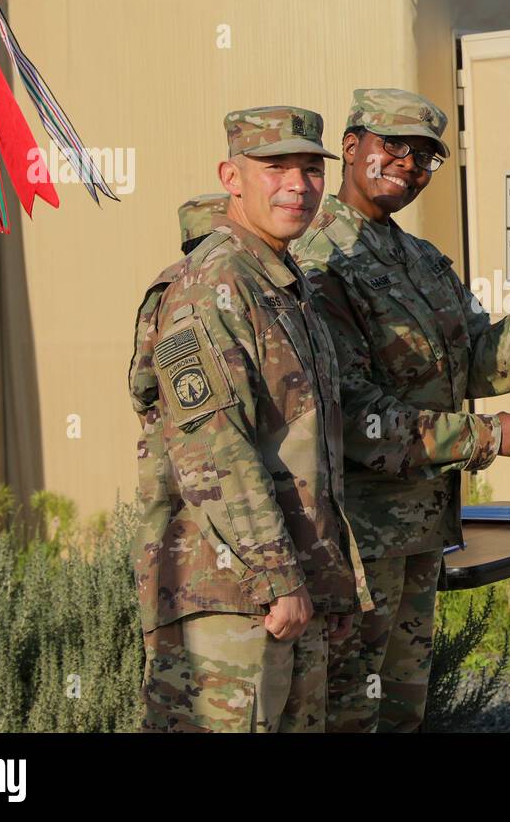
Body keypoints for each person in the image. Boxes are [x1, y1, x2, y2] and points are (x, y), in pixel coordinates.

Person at [290, 87, 510, 732]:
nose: (408, 164)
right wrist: (486, 437)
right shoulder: (318, 259)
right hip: (356, 536)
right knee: (348, 713)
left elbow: (475, 359)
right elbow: (354, 414)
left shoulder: (420, 258)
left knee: (401, 711)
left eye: (426, 156)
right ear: (351, 148)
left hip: (418, 527)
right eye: (393, 146)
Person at [129, 106, 369, 732]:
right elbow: (215, 453)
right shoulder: (211, 285)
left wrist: (328, 580)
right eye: (276, 167)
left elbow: (304, 452)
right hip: (228, 597)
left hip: (284, 589)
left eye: (311, 168)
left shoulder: (285, 284)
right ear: (231, 176)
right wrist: (278, 576)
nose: (298, 184)